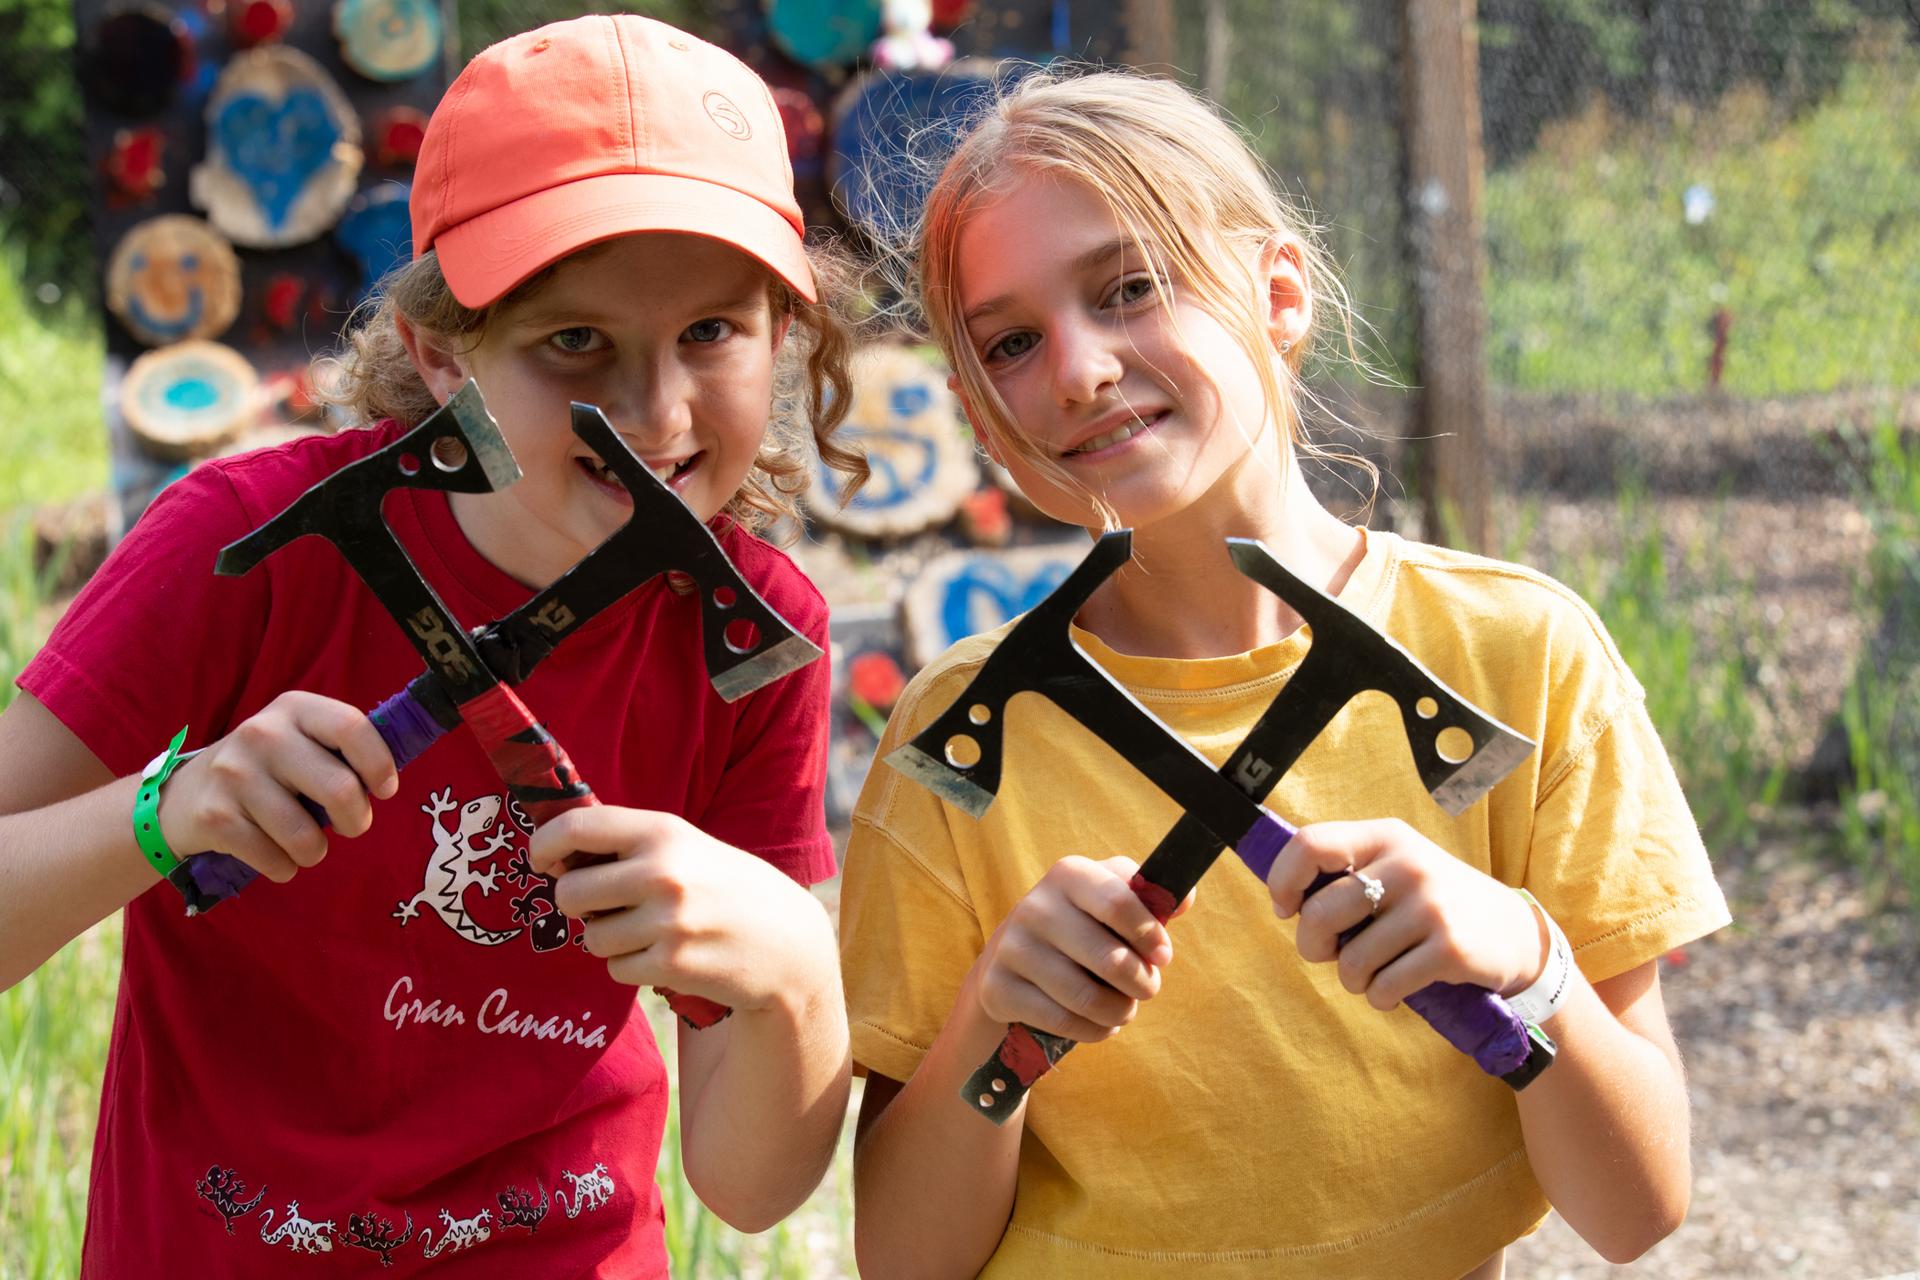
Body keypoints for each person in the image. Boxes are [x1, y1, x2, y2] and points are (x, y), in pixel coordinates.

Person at [0, 15, 859, 1274]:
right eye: (575, 341)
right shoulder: (244, 546)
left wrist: (793, 969)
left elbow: (747, 1187)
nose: (657, 411)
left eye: (713, 332)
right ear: (436, 348)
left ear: (784, 330)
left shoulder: (756, 631)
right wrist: (158, 814)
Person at [839, 68, 1730, 1279]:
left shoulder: (1522, 657)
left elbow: (1636, 1208)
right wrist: (997, 1029)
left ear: (1278, 291)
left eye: (1130, 287)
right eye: (1011, 342)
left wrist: (1529, 961)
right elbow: (902, 1260)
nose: (1082, 368)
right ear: (982, 414)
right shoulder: (958, 738)